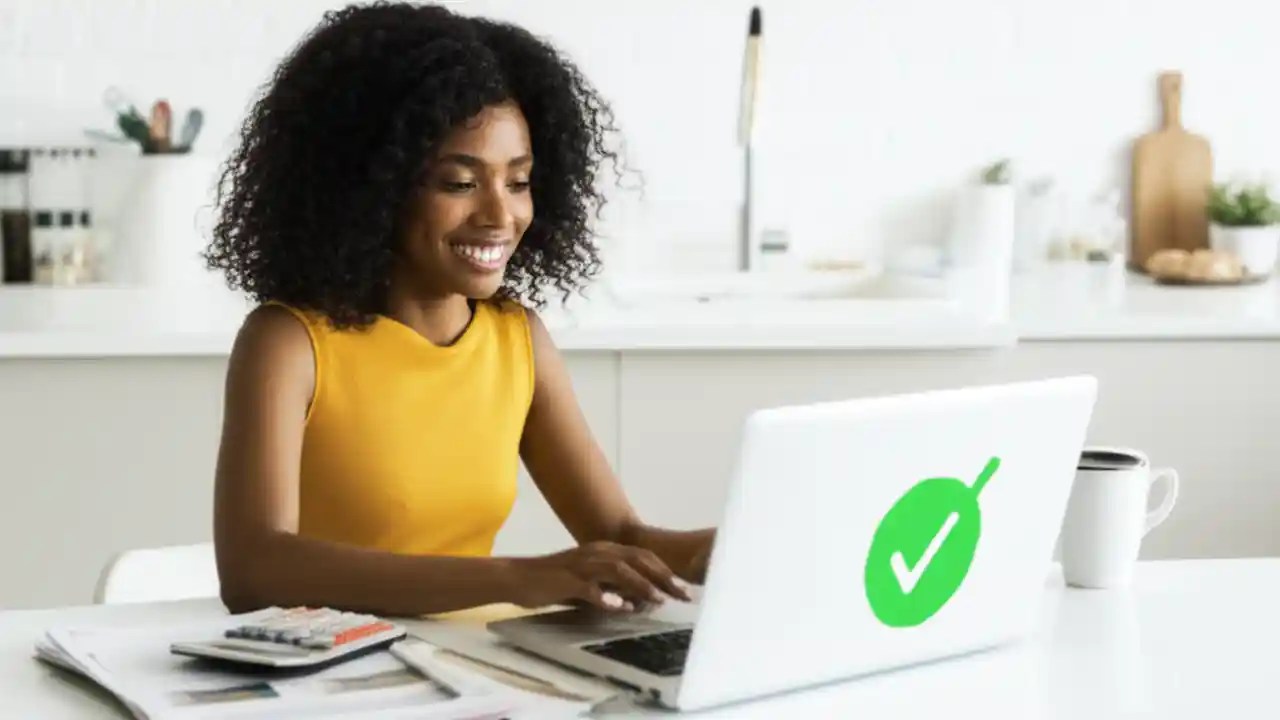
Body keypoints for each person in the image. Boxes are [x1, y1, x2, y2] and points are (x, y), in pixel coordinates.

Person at [205, 2, 714, 617]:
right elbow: (255, 569)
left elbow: (623, 537)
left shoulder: (517, 340)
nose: (501, 216)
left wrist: (738, 546)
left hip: (480, 676)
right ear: (374, 187)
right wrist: (515, 579)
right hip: (340, 682)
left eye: (519, 181)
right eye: (460, 183)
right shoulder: (289, 344)